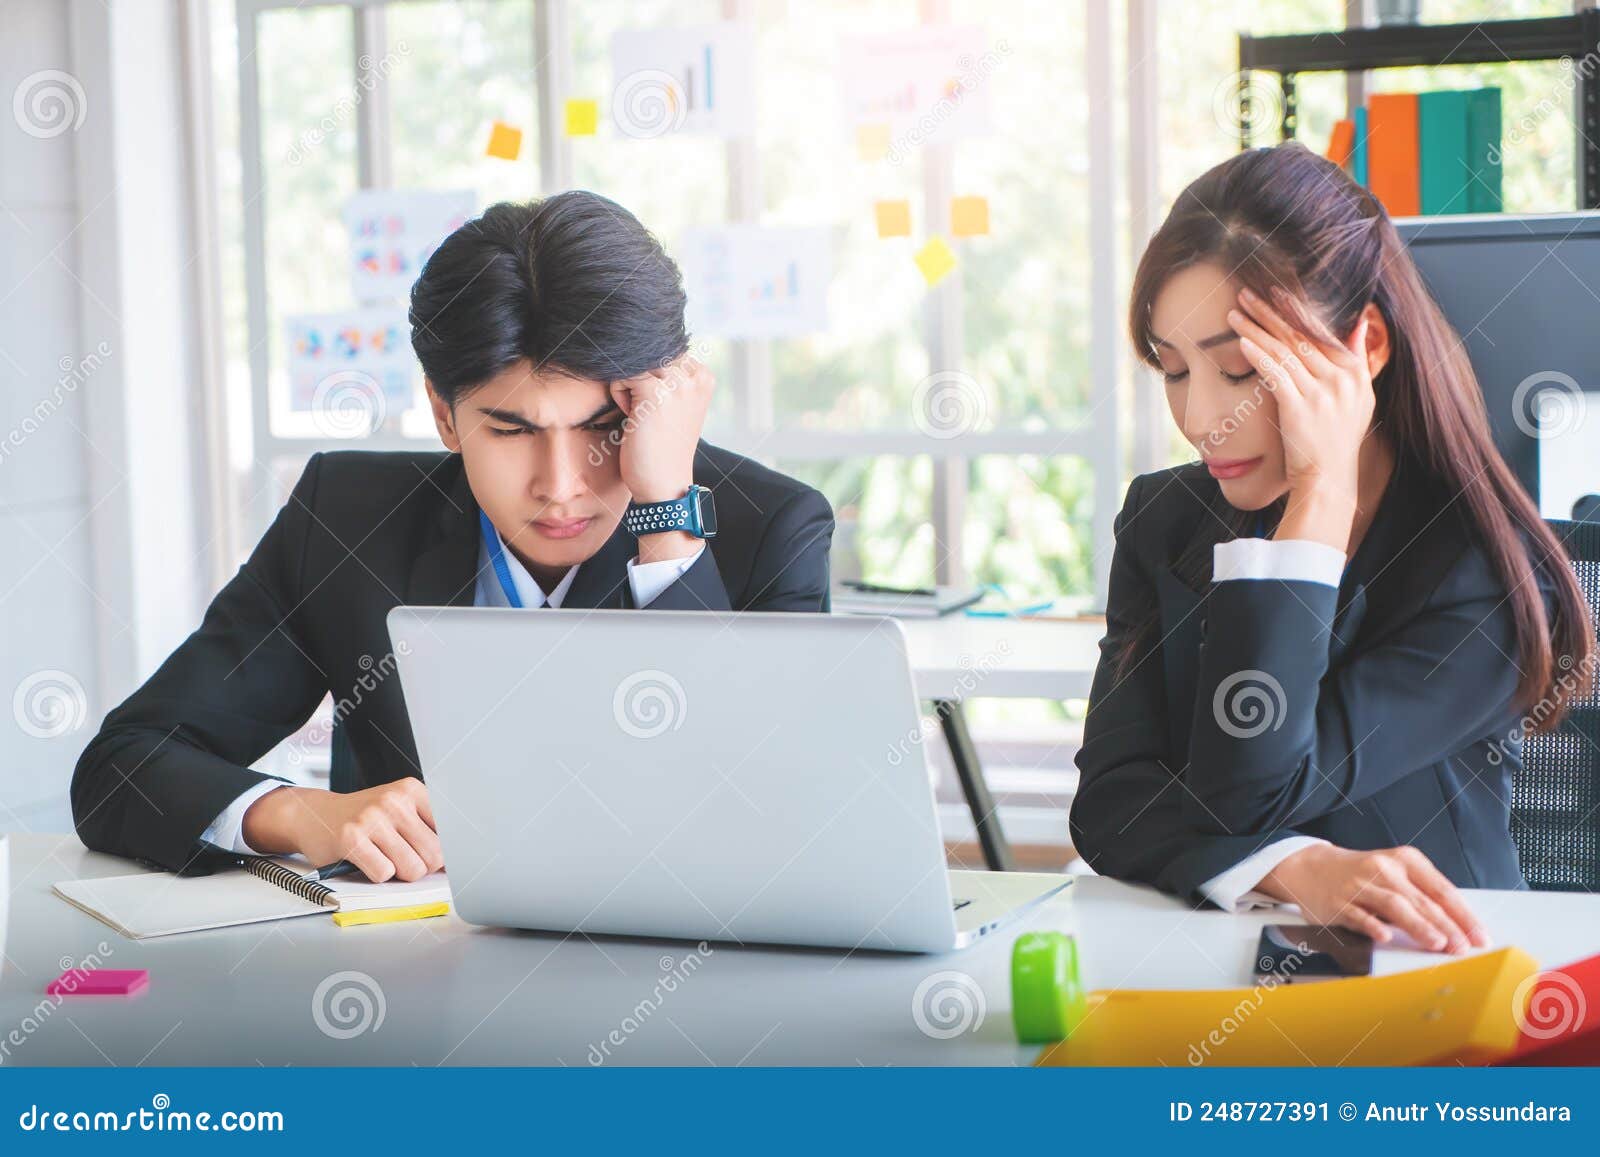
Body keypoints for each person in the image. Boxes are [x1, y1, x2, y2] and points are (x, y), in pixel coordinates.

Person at [72, 191, 834, 881]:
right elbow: (123, 767)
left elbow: (770, 823)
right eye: (512, 430)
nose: (560, 482)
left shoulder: (772, 530)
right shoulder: (344, 517)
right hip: (410, 984)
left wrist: (666, 517)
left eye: (604, 429)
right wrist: (306, 814)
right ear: (444, 414)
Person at [1069, 143, 1594, 952]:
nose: (1202, 418)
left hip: (1441, 980)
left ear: (1366, 348)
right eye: (1173, 372)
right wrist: (1299, 868)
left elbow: (1249, 794)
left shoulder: (1483, 571)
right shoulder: (1164, 519)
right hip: (1203, 966)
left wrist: (1320, 497)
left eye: (1240, 371)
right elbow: (1110, 803)